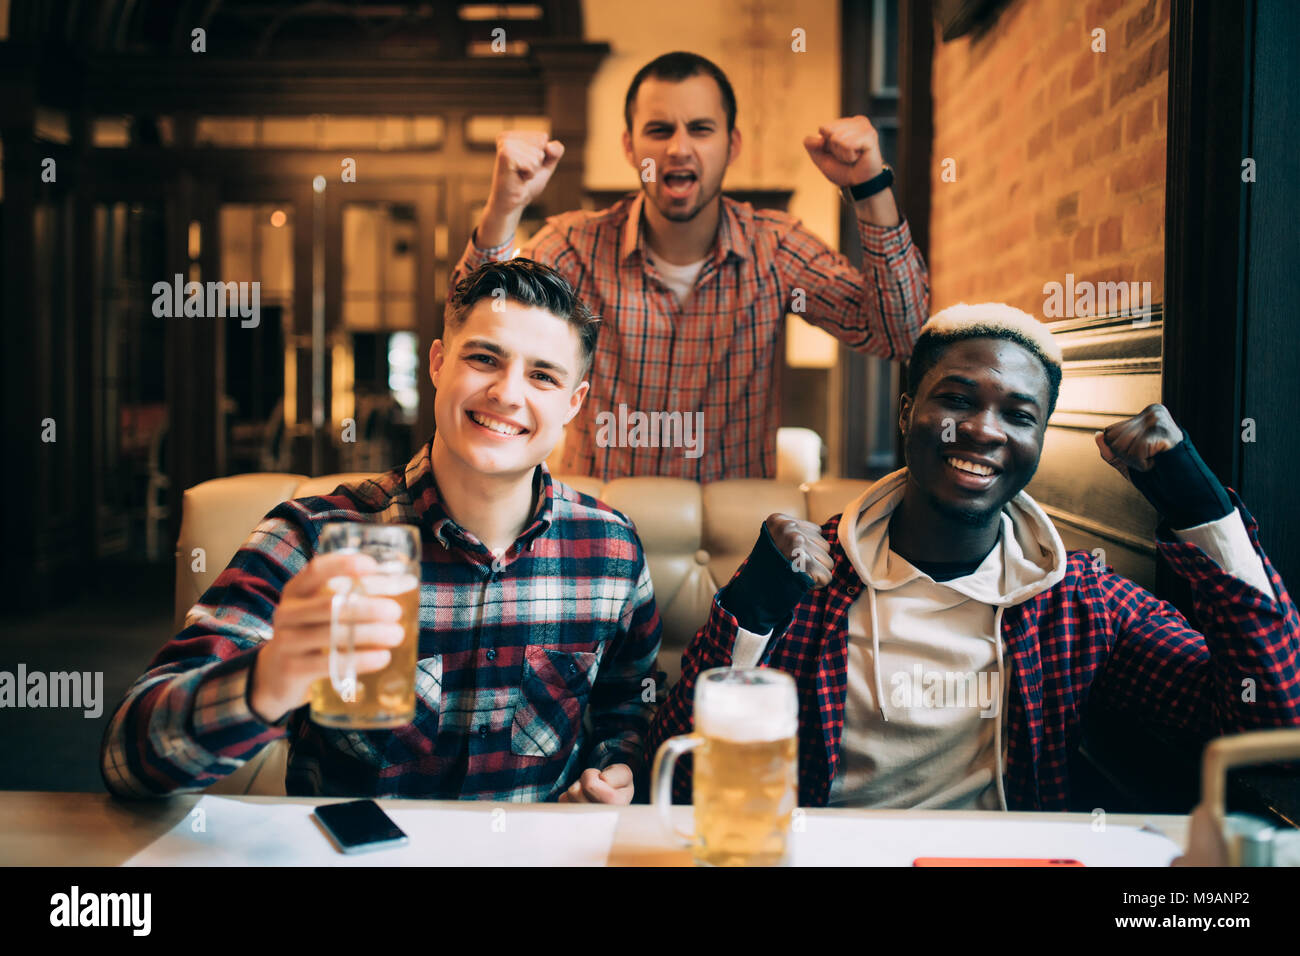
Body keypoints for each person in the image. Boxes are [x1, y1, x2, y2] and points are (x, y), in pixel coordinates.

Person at [646, 303, 1300, 810]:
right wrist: (756, 607)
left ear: (1038, 441)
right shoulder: (807, 573)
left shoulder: (1073, 596)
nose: (985, 429)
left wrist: (1199, 505)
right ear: (908, 413)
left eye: (1018, 415)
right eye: (957, 400)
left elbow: (1271, 720)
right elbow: (677, 769)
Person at [102, 260, 662, 804]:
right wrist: (267, 679)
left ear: (575, 402)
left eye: (542, 375)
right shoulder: (312, 537)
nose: (508, 394)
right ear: (438, 364)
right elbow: (128, 758)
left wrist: (612, 770)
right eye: (485, 358)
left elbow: (626, 708)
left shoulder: (610, 548)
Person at [451, 50, 929, 481]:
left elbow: (901, 334)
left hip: (732, 546)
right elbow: (465, 327)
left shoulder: (776, 246)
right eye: (659, 130)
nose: (679, 148)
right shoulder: (572, 245)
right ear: (629, 147)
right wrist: (504, 208)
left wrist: (870, 188)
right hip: (597, 531)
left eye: (700, 129)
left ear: (732, 144)